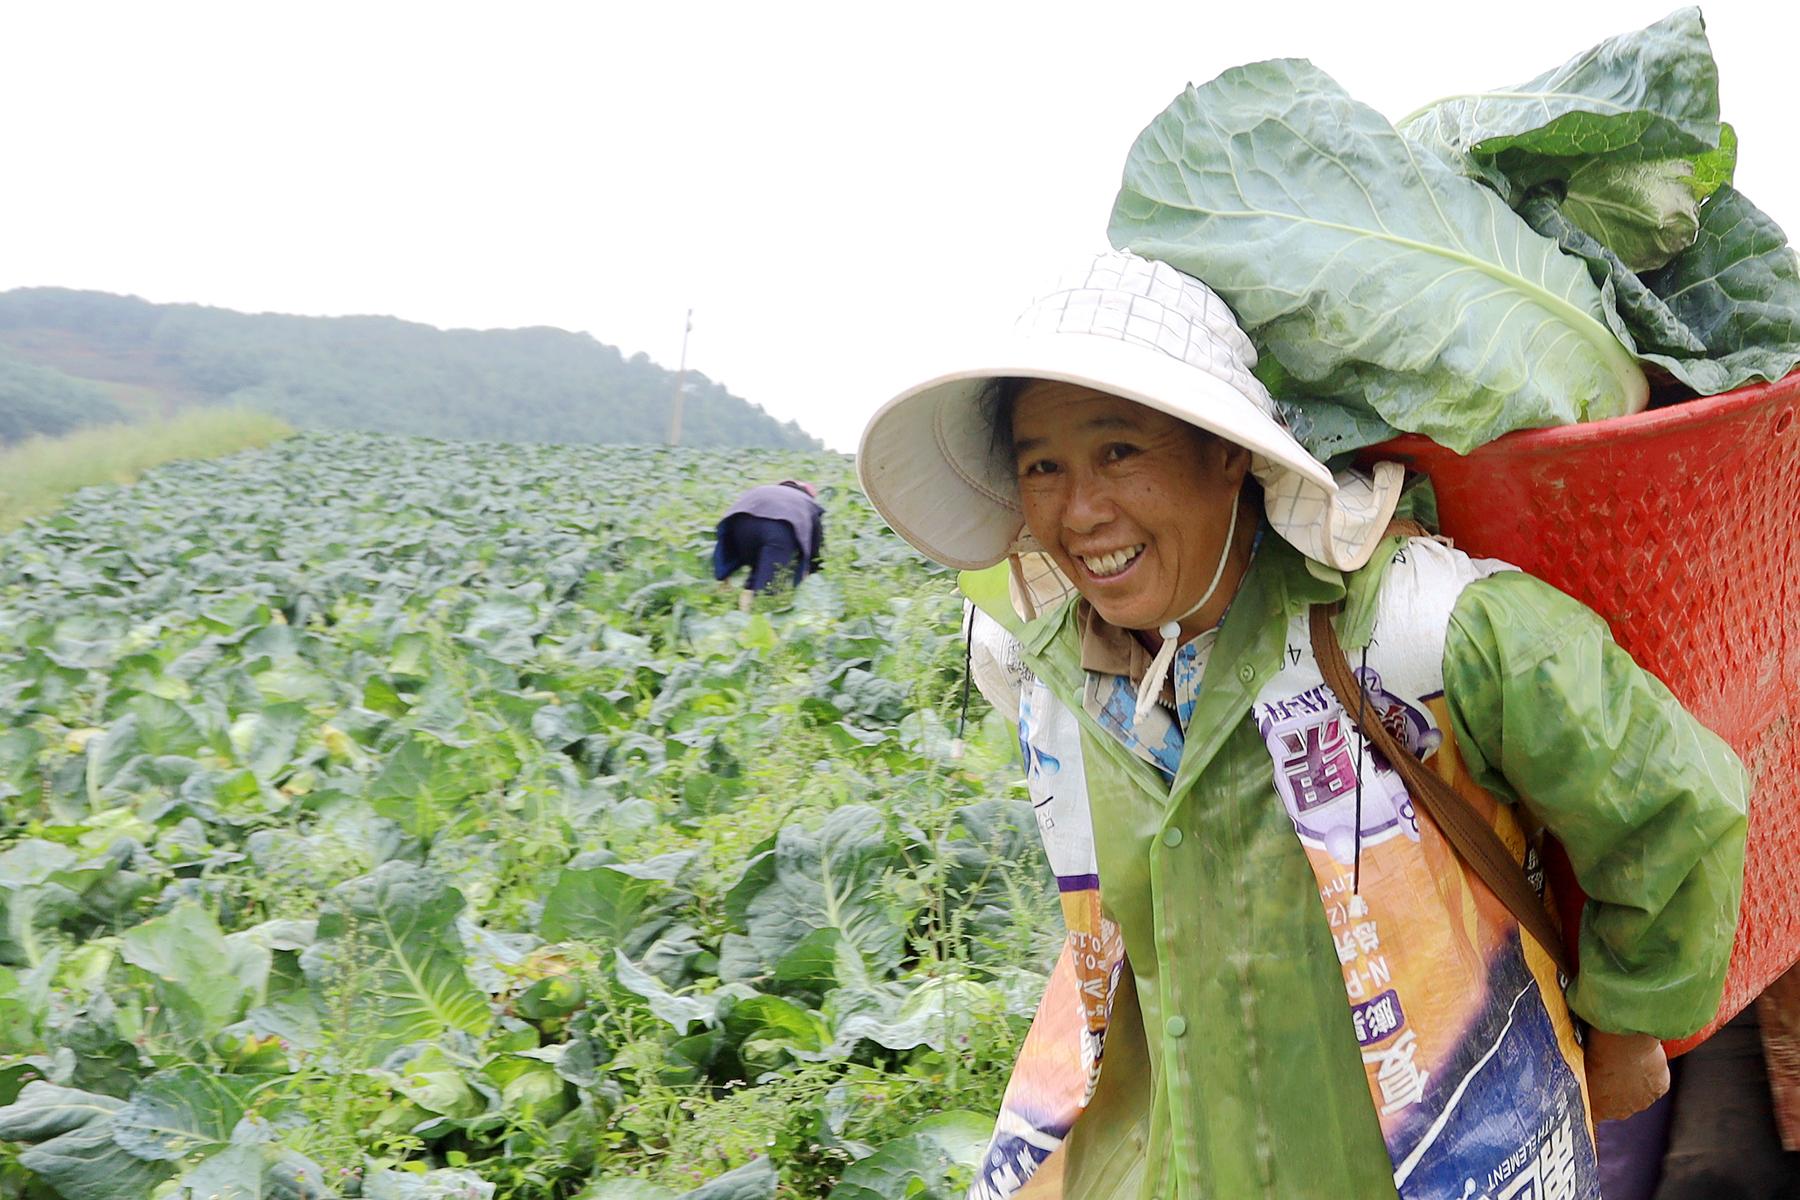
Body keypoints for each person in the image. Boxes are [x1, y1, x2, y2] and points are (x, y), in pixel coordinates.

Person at [855, 252, 1748, 1200]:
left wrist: (1629, 1021)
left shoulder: (1417, 629)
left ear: (1226, 451)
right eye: (1043, 466)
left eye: (1119, 451)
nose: (1081, 510)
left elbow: (1670, 798)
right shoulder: (1055, 686)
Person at [712, 479, 823, 611]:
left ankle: (740, 615)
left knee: (757, 572)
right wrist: (813, 574)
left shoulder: (765, 489)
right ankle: (752, 622)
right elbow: (814, 552)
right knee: (767, 592)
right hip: (778, 531)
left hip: (740, 526)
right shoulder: (808, 503)